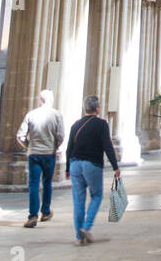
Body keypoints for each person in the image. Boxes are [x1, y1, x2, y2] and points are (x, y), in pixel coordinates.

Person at [65, 95, 120, 245]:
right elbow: (107, 146)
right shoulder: (101, 124)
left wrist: (67, 168)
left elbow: (69, 148)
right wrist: (115, 166)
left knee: (78, 201)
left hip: (75, 163)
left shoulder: (75, 125)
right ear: (97, 108)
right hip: (92, 164)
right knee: (96, 195)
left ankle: (78, 237)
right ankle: (86, 226)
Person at [16, 88, 64, 228]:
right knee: (47, 183)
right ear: (51, 100)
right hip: (49, 153)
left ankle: (32, 216)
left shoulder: (31, 114)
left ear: (40, 100)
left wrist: (28, 147)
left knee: (33, 185)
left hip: (34, 154)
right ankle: (46, 211)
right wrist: (54, 146)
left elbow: (20, 136)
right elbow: (60, 135)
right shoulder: (56, 115)